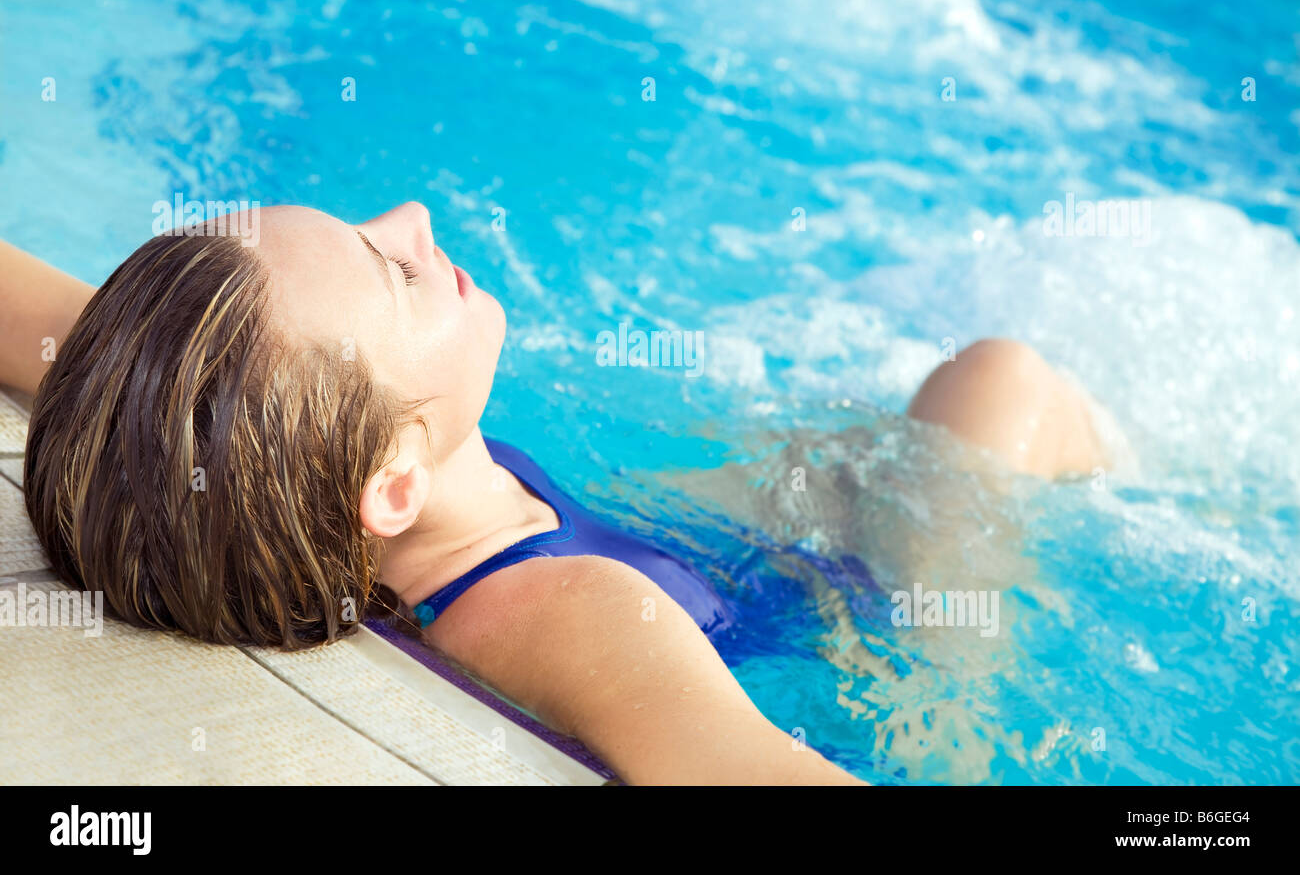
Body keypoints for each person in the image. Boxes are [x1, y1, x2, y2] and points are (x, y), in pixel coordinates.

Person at [2, 202, 1112, 784]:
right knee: (999, 383)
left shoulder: (206, 419)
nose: (415, 219)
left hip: (735, 544)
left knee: (923, 412)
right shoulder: (559, 612)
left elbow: (56, 322)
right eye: (391, 268)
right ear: (391, 478)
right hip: (854, 635)